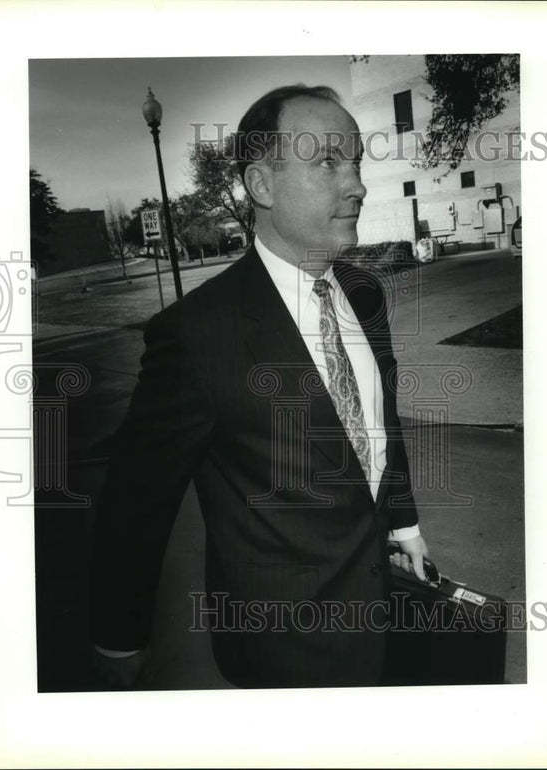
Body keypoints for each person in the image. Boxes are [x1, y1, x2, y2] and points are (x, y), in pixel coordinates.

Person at [91, 84, 429, 689]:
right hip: (284, 649)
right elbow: (136, 500)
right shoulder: (195, 336)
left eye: (355, 161)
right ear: (262, 185)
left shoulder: (366, 294)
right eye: (327, 160)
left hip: (388, 617)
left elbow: (382, 426)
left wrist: (405, 526)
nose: (355, 183)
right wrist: (119, 637)